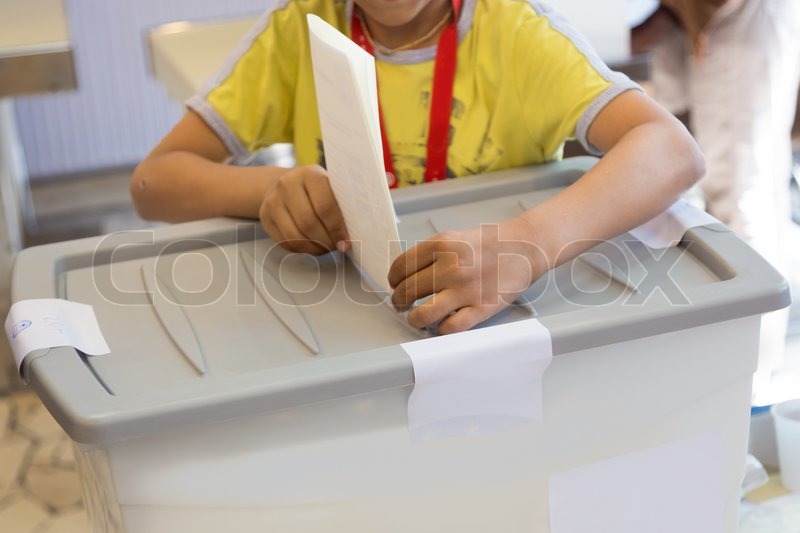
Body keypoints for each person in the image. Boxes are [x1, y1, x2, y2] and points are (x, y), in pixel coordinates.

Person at [132, 0, 704, 334]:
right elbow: (154, 183)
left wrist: (527, 244)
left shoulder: (514, 31)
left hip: (500, 329)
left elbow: (671, 150)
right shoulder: (302, 25)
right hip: (354, 326)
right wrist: (270, 190)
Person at [633, 0, 800, 400]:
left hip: (730, 15)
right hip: (690, 17)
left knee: (739, 190)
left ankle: (749, 383)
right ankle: (746, 373)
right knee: (738, 183)